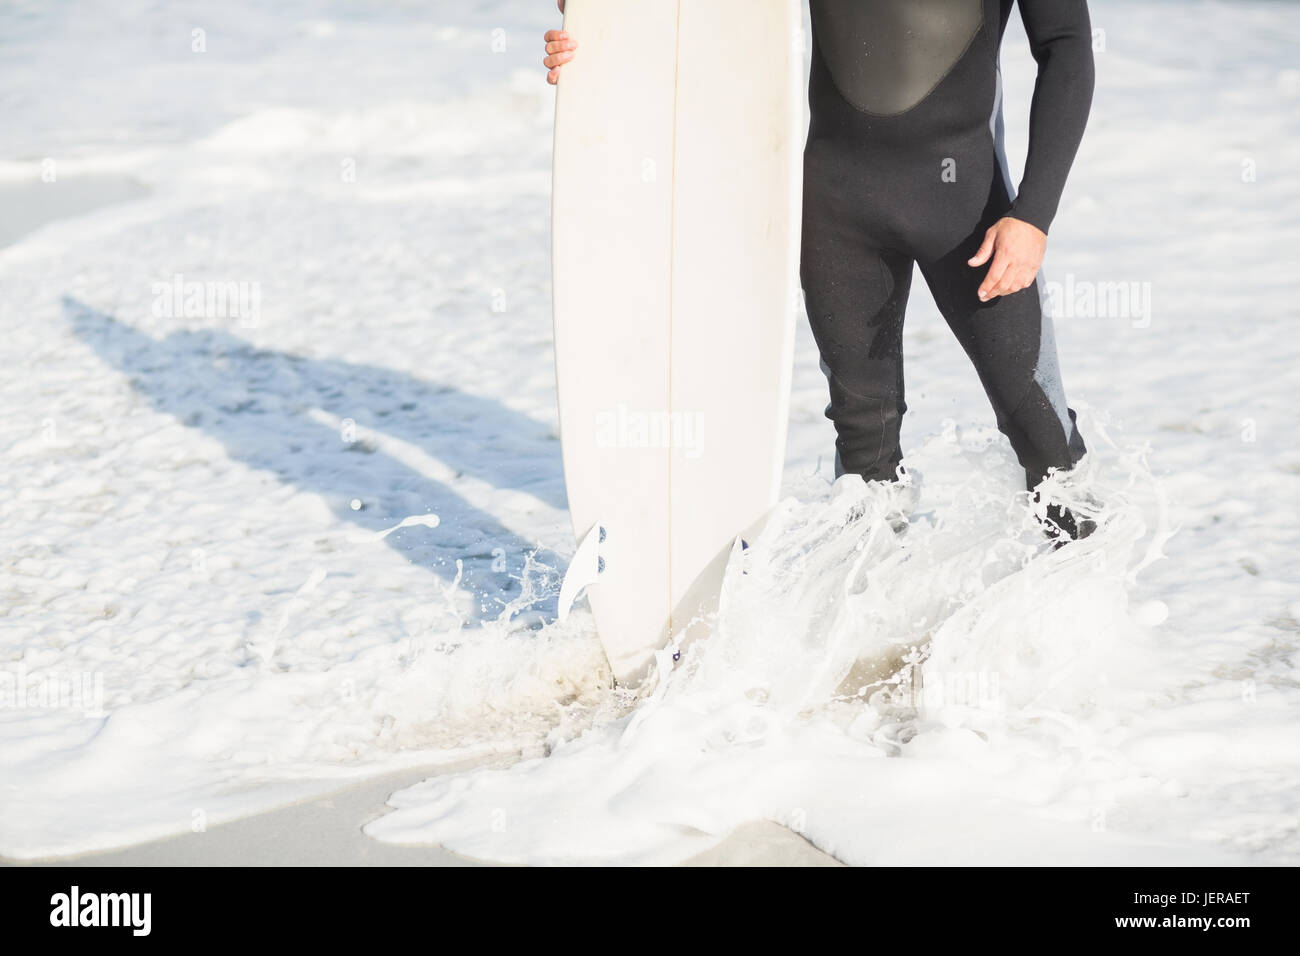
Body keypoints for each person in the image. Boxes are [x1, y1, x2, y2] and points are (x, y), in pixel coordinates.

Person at [543, 0, 1096, 540]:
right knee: (864, 445)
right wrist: (598, 40)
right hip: (836, 210)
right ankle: (876, 619)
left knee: (1042, 434)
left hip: (970, 211)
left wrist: (1034, 216)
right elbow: (697, 21)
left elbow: (1066, 47)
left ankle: (1086, 614)